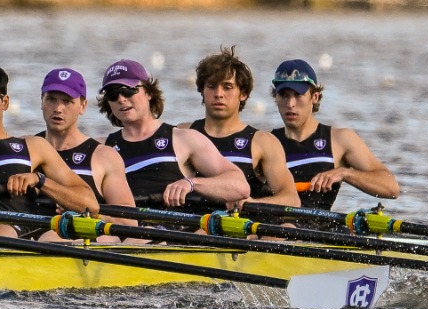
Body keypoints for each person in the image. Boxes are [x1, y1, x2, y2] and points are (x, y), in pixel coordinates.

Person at [0, 63, 98, 238]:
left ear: (5, 102)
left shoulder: (33, 147)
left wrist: (39, 180)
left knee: (2, 233)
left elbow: (90, 205)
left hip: (16, 235)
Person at [98, 58, 249, 208]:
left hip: (173, 228)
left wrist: (191, 184)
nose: (121, 99)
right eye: (113, 93)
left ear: (149, 93)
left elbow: (240, 186)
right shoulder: (101, 149)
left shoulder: (184, 139)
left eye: (128, 90)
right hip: (125, 227)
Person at [269, 58, 400, 211]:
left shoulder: (340, 140)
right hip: (274, 227)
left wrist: (345, 173)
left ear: (314, 97)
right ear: (275, 97)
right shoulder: (265, 142)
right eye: (284, 95)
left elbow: (391, 188)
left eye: (298, 95)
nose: (290, 104)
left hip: (320, 229)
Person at [188, 48, 299, 209]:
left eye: (227, 87)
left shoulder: (262, 142)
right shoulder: (183, 134)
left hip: (242, 226)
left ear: (243, 94)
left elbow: (291, 199)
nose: (218, 94)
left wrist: (253, 204)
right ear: (202, 91)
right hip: (193, 226)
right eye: (211, 86)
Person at [32, 66, 134, 210]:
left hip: (83, 231)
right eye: (51, 99)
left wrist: (84, 213)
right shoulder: (25, 147)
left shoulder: (104, 157)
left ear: (83, 106)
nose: (58, 109)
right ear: (42, 101)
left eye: (67, 101)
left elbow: (128, 222)